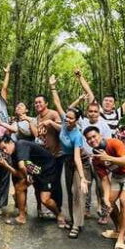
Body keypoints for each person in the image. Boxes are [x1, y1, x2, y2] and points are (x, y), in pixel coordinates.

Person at [83, 126, 125, 249]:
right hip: (118, 175)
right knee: (110, 202)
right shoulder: (96, 158)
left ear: (100, 135)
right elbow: (105, 180)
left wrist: (108, 158)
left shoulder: (114, 142)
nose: (92, 140)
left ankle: (121, 238)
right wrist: (105, 199)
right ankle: (118, 229)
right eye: (88, 139)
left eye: (94, 136)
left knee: (124, 200)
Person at [46, 76, 89, 238]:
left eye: (71, 118)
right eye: (67, 117)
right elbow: (57, 103)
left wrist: (83, 177)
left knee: (77, 191)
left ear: (77, 121)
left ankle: (77, 225)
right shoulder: (64, 122)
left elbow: (78, 158)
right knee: (69, 192)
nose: (68, 120)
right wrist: (52, 87)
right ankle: (74, 219)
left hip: (80, 162)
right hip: (67, 161)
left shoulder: (77, 135)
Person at [0, 135, 62, 226]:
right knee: (19, 187)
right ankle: (22, 217)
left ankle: (59, 214)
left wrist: (27, 175)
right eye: (2, 150)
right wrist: (6, 166)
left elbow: (21, 165)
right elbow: (19, 174)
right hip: (35, 169)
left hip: (47, 169)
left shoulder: (20, 145)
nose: (4, 151)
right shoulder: (13, 155)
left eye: (5, 147)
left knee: (45, 199)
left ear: (11, 142)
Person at [74, 68, 125, 136]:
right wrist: (80, 77)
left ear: (113, 105)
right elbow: (89, 91)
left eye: (110, 101)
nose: (107, 102)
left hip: (111, 144)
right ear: (102, 103)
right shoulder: (97, 111)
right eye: (106, 100)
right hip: (96, 141)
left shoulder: (117, 114)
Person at [78, 100, 112, 224]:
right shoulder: (83, 122)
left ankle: (105, 213)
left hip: (99, 160)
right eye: (90, 111)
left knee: (101, 187)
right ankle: (86, 209)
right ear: (87, 113)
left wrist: (106, 159)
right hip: (85, 159)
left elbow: (108, 144)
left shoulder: (104, 126)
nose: (93, 114)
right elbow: (67, 113)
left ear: (99, 113)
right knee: (86, 185)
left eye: (95, 111)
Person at [31, 91, 64, 218]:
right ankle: (47, 208)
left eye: (40, 102)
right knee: (42, 183)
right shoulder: (37, 118)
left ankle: (58, 209)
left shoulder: (53, 114)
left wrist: (50, 123)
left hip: (57, 155)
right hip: (45, 156)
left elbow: (63, 129)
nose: (37, 104)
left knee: (55, 183)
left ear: (46, 103)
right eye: (36, 103)